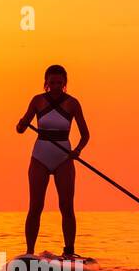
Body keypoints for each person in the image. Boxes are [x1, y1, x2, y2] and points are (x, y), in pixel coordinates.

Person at [15, 64, 89, 257]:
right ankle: (30, 252)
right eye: (52, 82)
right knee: (35, 206)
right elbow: (21, 128)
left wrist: (77, 150)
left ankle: (69, 252)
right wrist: (21, 125)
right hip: (40, 156)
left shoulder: (73, 103)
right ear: (46, 82)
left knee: (66, 206)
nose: (56, 86)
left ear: (64, 83)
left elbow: (85, 135)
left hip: (64, 158)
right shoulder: (37, 101)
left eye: (59, 82)